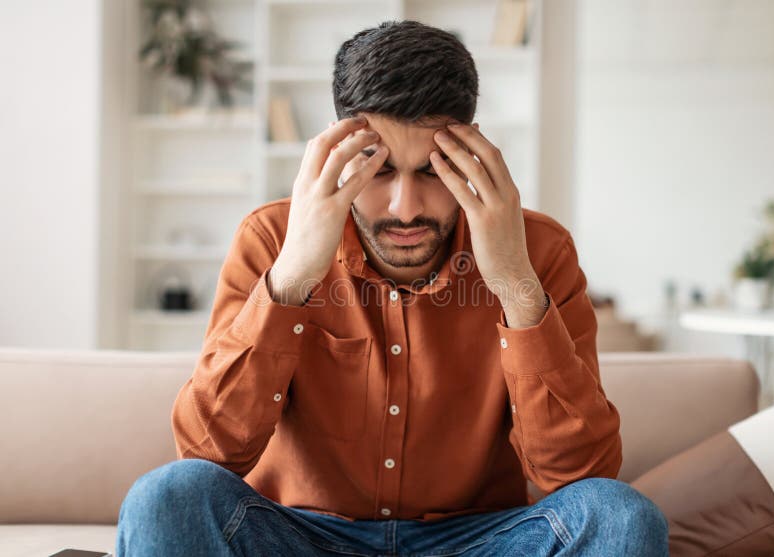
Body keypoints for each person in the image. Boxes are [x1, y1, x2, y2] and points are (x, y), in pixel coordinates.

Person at [116, 20, 668, 557]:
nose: (405, 208)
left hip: (477, 539)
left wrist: (515, 285)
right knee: (167, 496)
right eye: (378, 170)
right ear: (336, 155)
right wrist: (292, 278)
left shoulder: (540, 251)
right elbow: (208, 452)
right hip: (300, 536)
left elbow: (577, 476)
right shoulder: (270, 238)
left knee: (619, 513)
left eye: (431, 171)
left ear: (473, 159)